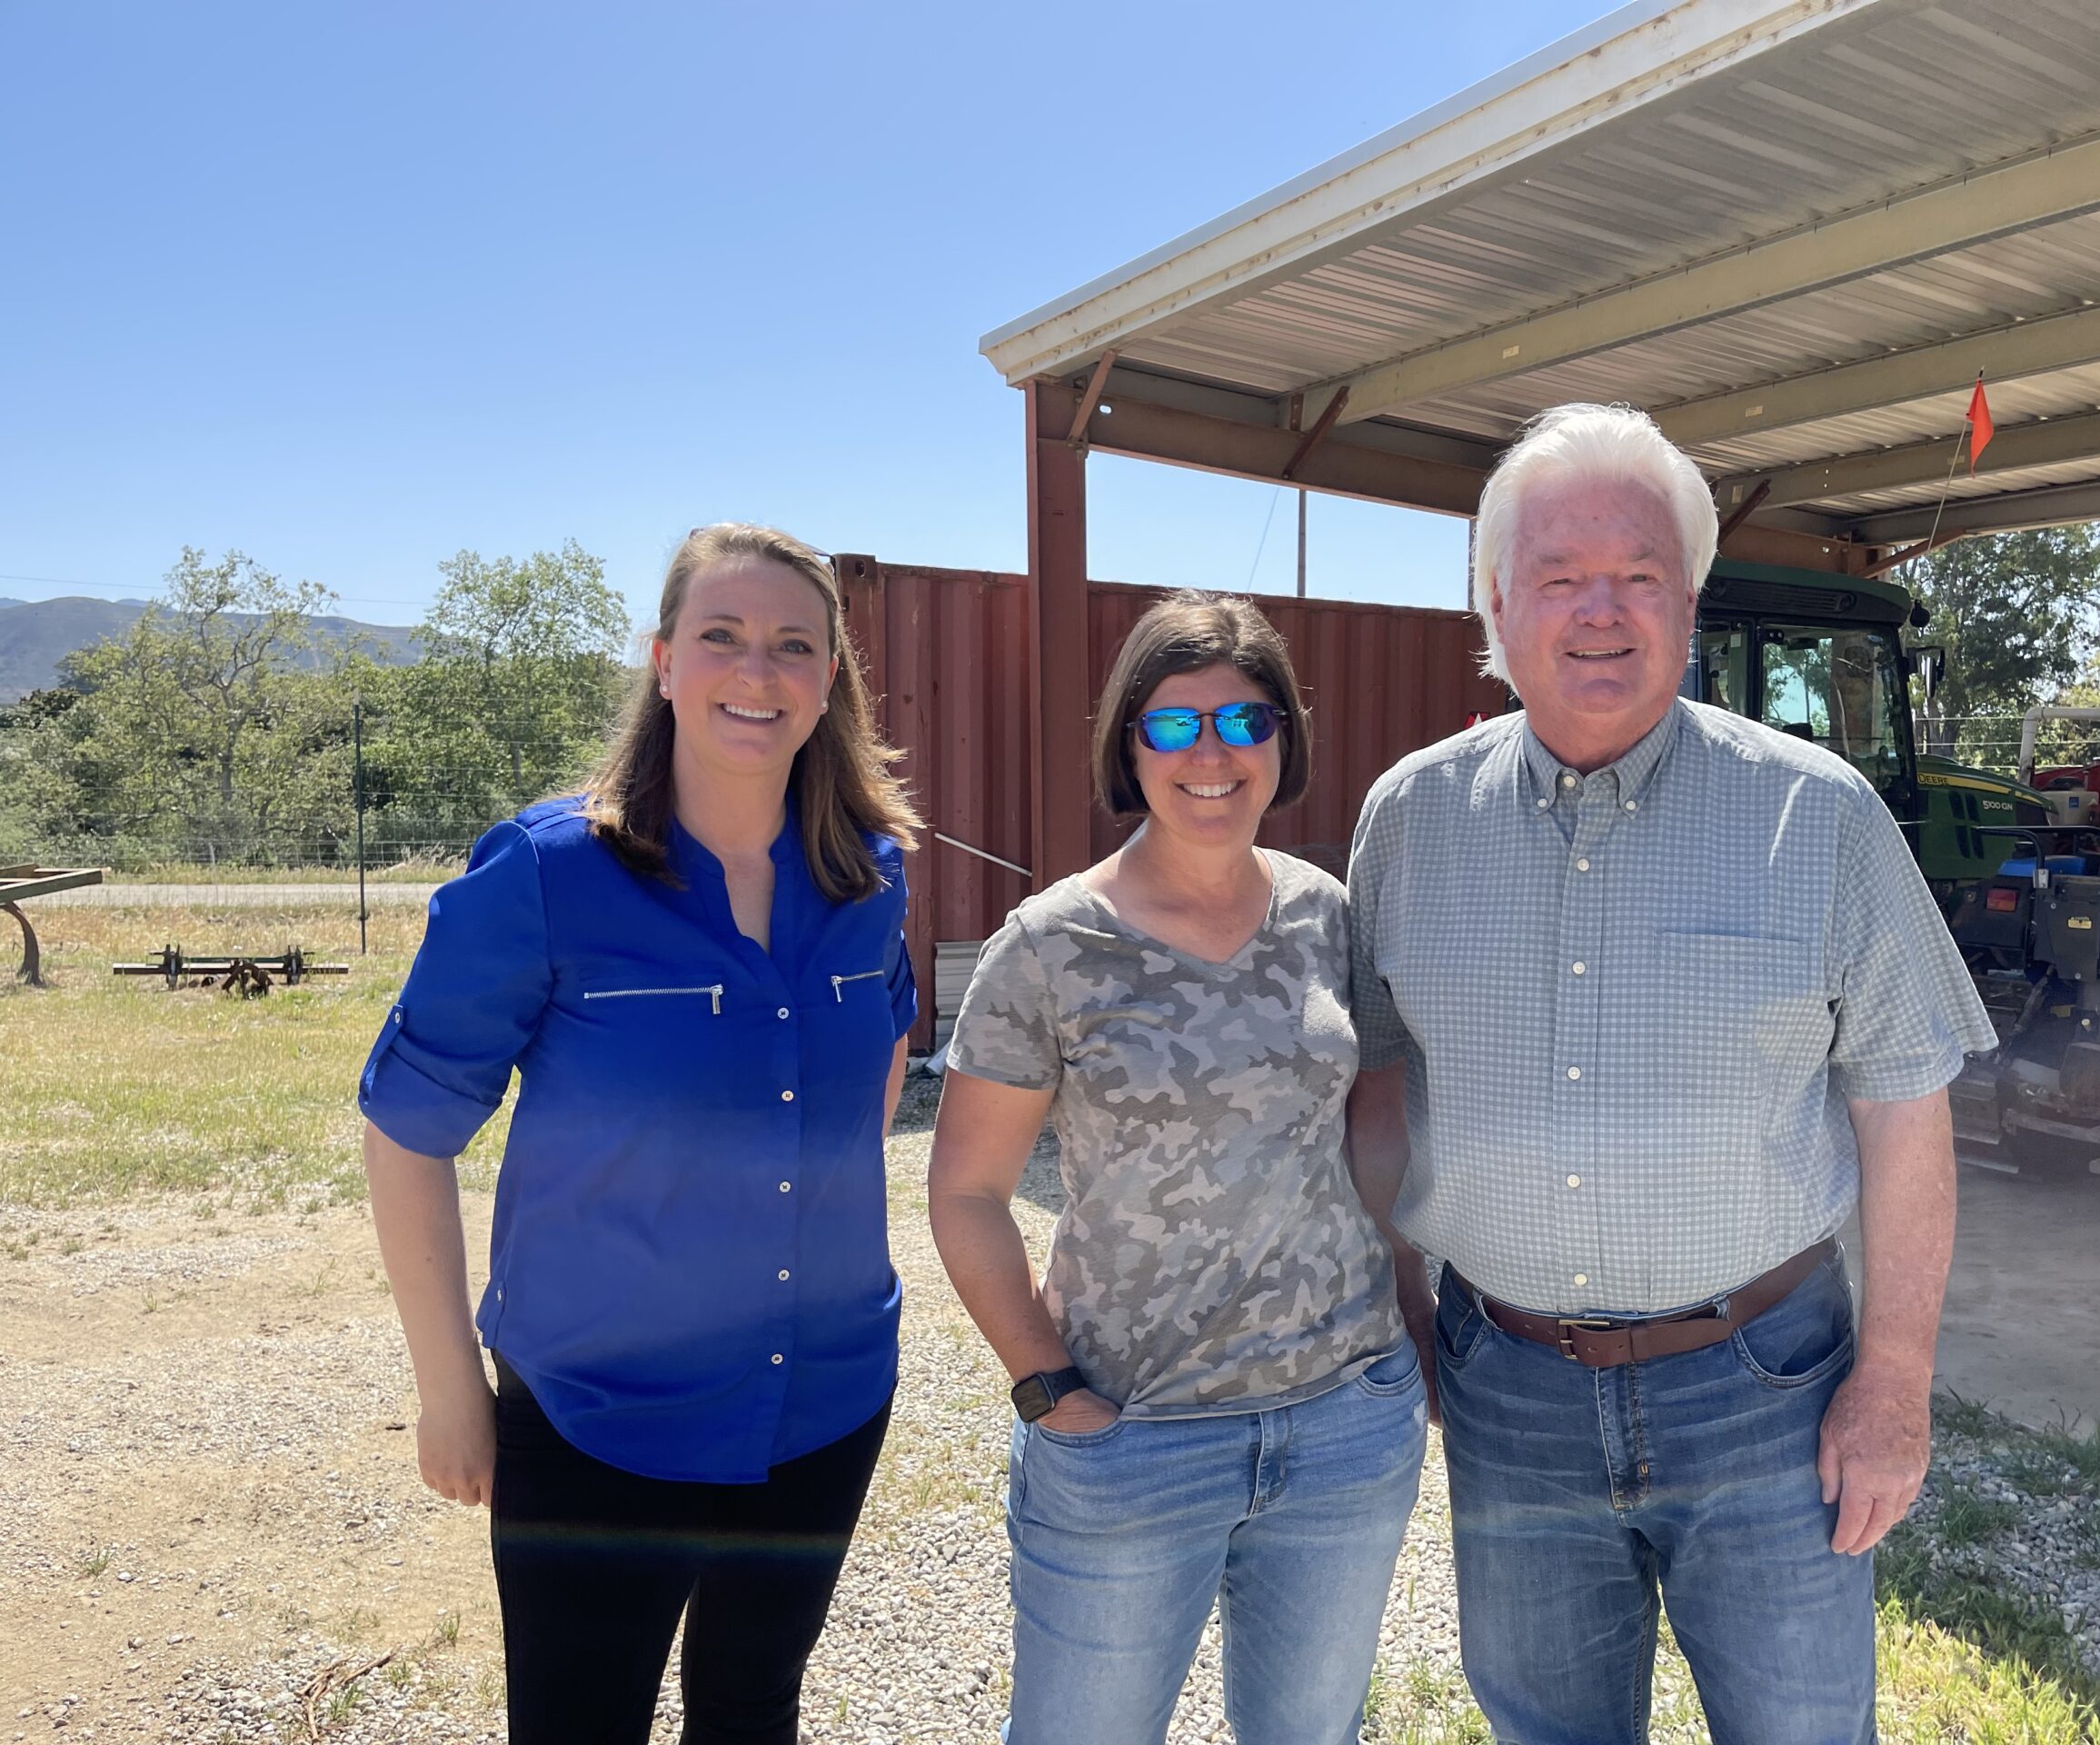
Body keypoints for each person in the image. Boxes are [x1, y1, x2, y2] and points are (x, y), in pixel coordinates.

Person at [1345, 405, 1996, 1745]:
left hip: (1765, 1387)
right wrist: (1402, 1308)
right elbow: (1378, 1085)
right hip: (1506, 1382)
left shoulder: (1820, 815)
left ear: (1687, 601)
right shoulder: (1408, 820)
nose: (1602, 611)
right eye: (1561, 576)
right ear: (1495, 601)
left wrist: (1894, 1384)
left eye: (1640, 575)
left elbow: (1904, 1117)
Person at [357, 524, 921, 1745]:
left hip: (821, 1404)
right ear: (665, 661)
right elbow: (408, 1129)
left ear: (830, 682)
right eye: (721, 638)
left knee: (752, 1708)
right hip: (599, 1419)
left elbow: (886, 1045)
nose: (755, 673)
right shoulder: (549, 875)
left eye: (792, 647)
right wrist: (453, 1383)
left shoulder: (869, 877)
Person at [928, 592, 1425, 1745]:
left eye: (1248, 723)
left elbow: (1372, 1131)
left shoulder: (1327, 916)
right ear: (1128, 743)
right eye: (1174, 725)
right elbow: (963, 1193)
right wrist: (1049, 1390)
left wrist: (1410, 1321)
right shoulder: (1049, 945)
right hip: (1133, 1438)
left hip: (1340, 1429)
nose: (1213, 753)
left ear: (1284, 742)